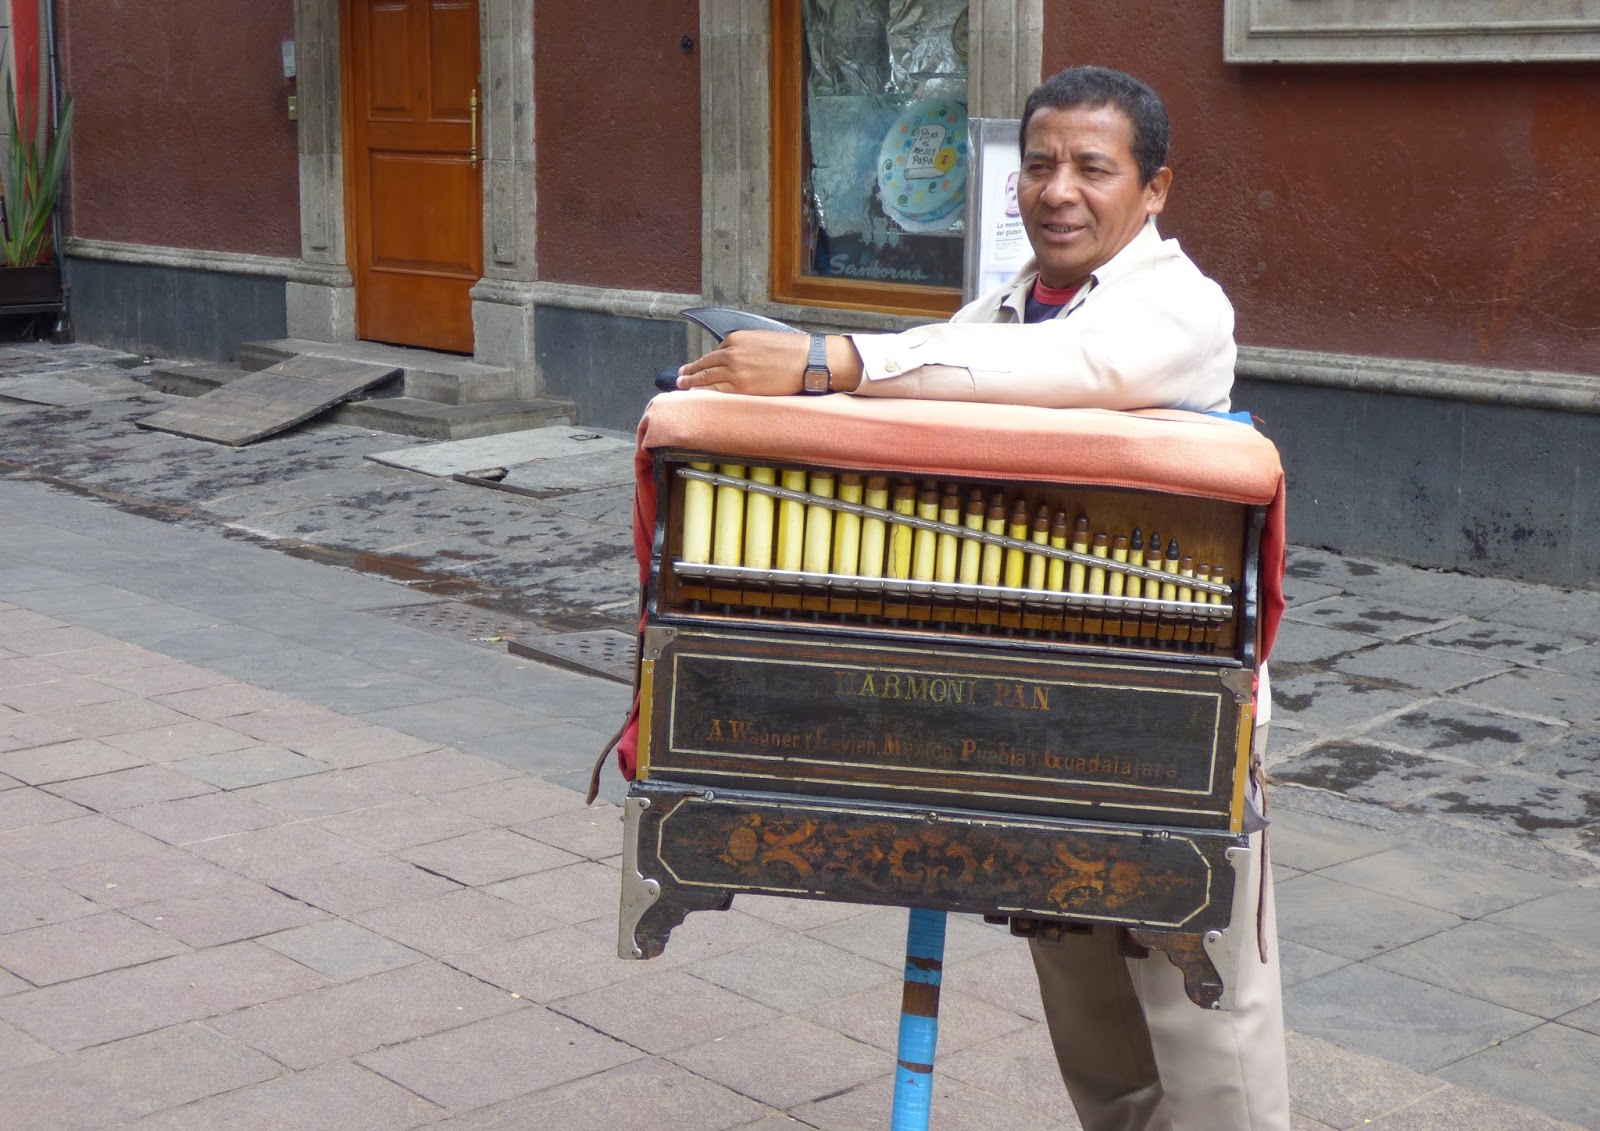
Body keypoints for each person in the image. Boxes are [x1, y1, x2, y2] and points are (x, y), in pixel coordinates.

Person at [675, 65, 1289, 1131]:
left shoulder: (1180, 306)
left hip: (1166, 701)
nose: (1059, 191)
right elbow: (949, 397)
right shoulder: (997, 306)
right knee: (1077, 975)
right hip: (1021, 690)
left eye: (1093, 169)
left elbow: (1060, 373)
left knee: (1197, 992)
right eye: (1040, 165)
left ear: (1152, 191)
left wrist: (829, 361)